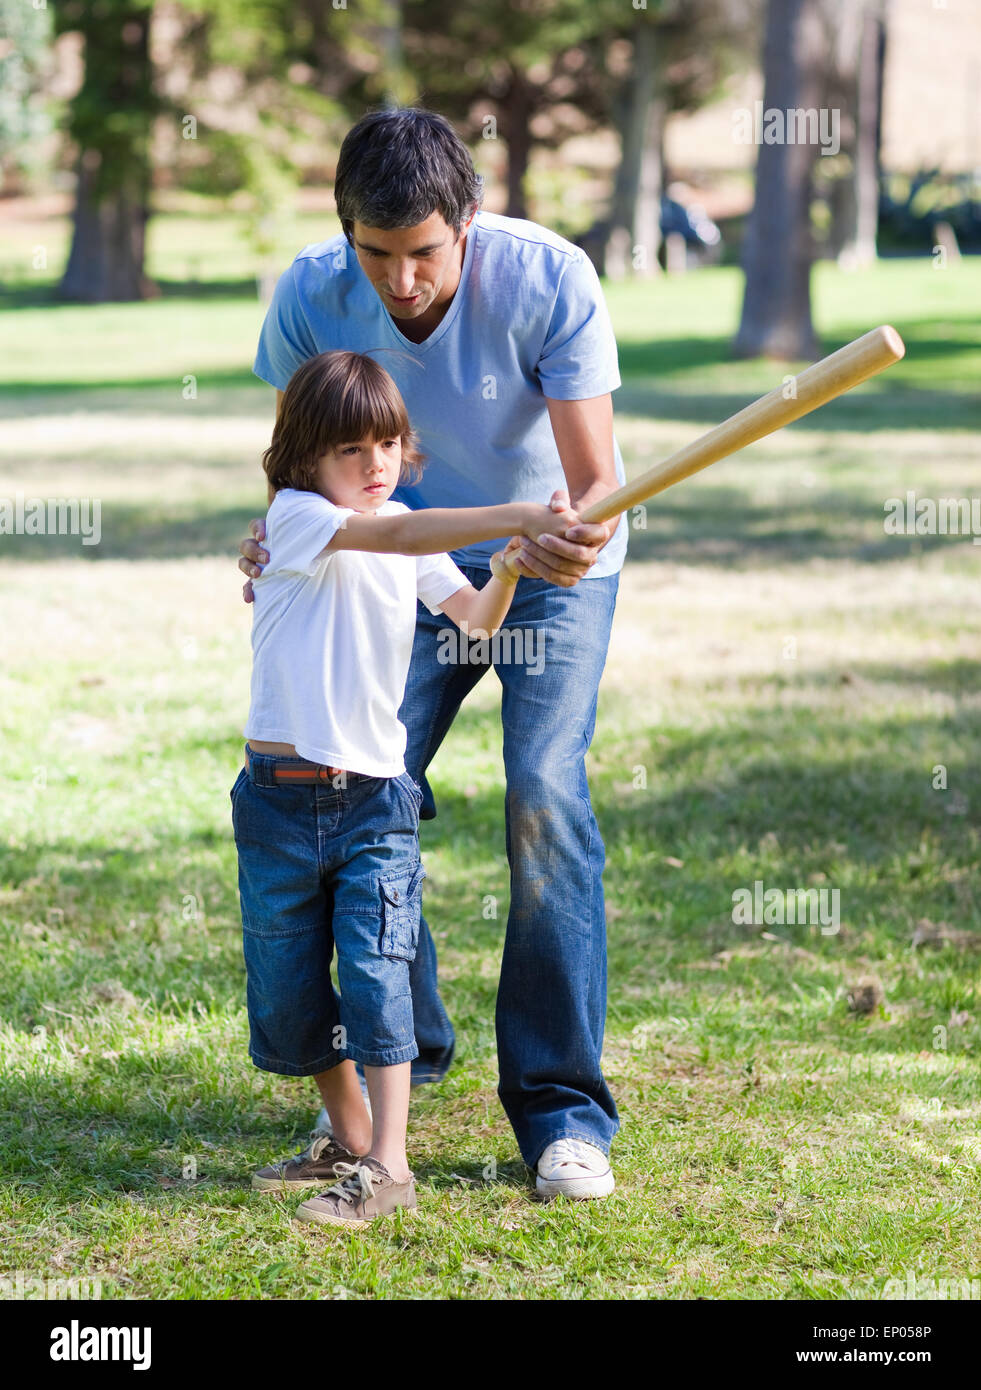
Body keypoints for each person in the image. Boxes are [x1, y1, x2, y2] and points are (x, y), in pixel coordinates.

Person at [239, 107, 629, 1201]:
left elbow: (593, 482)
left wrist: (552, 537)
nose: (402, 280)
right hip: (387, 556)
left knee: (543, 790)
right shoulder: (313, 291)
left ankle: (560, 1112)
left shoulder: (550, 279)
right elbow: (296, 459)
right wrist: (274, 534)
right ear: (345, 233)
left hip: (546, 562)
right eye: (378, 254)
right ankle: (401, 1053)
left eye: (424, 253)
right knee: (363, 784)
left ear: (467, 220)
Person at [234, 348, 579, 1226]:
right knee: (287, 985)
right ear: (306, 457)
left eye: (388, 445)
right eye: (353, 450)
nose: (376, 466)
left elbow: (470, 621)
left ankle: (389, 1165)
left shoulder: (398, 523)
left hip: (372, 801)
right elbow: (390, 537)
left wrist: (504, 566)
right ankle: (348, 1135)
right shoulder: (300, 517)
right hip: (276, 800)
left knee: (378, 973)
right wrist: (518, 510)